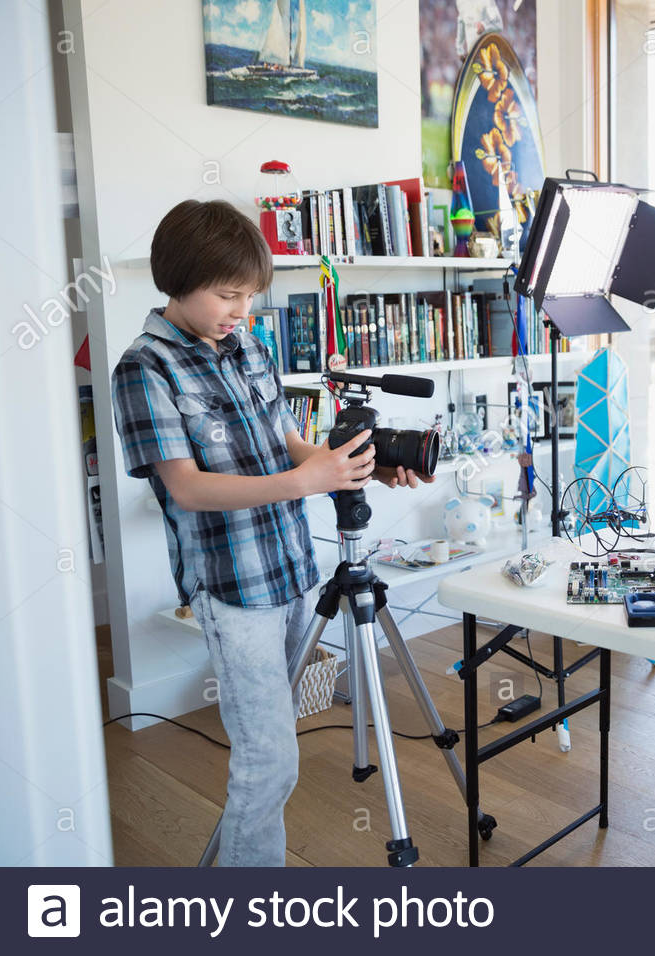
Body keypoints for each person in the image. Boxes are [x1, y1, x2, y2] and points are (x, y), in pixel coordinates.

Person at [110, 199, 432, 866]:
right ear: (177, 281)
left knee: (276, 744)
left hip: (290, 566)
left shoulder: (250, 347)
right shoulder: (145, 369)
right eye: (228, 295)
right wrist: (306, 482)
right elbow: (187, 487)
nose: (241, 310)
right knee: (270, 761)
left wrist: (350, 470)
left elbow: (286, 442)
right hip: (232, 588)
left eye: (250, 295)